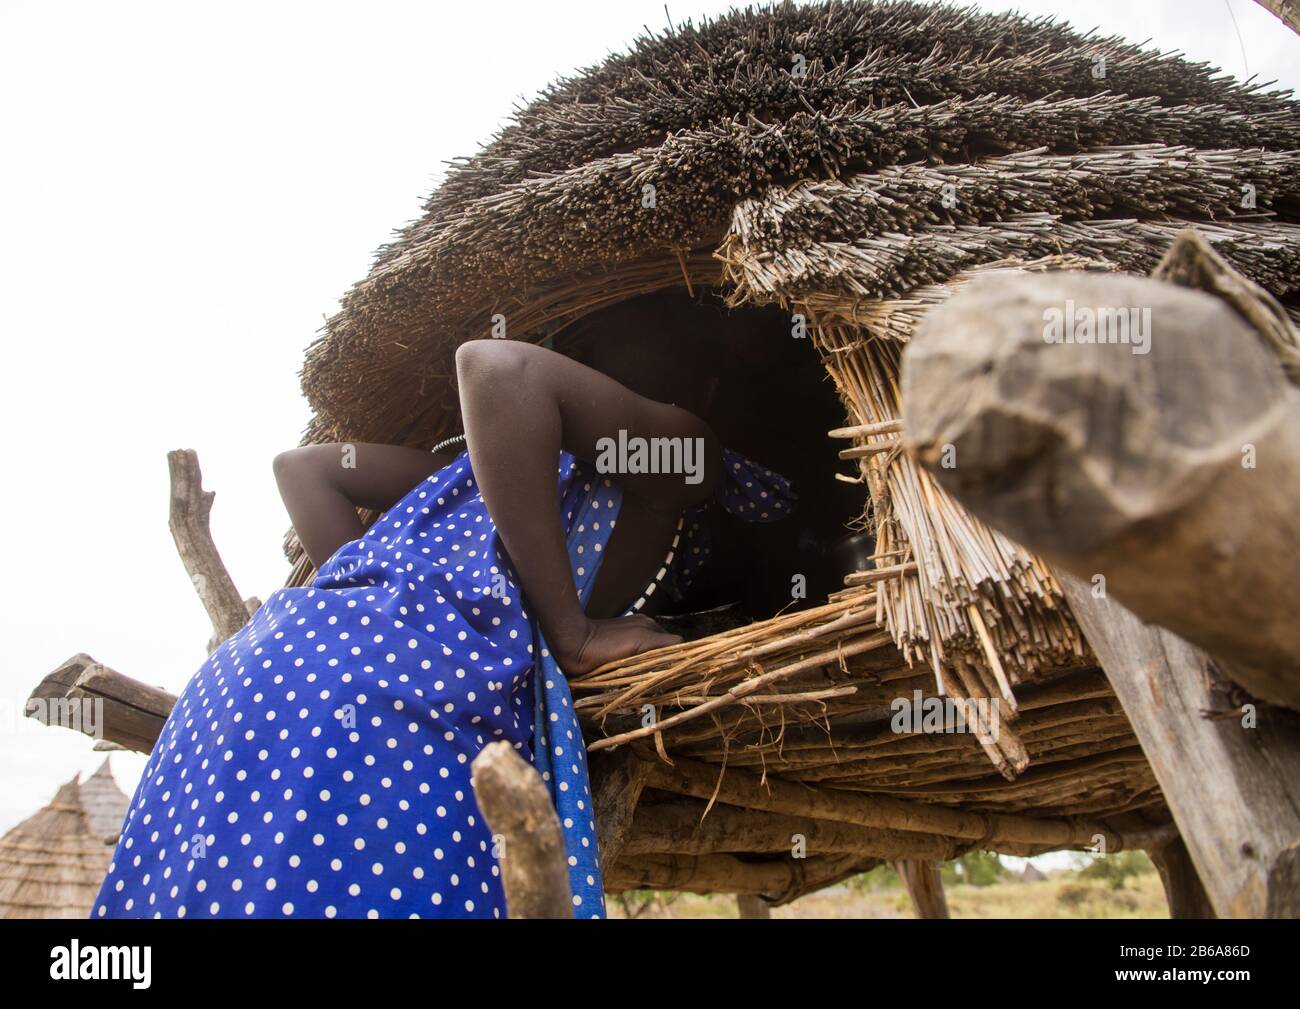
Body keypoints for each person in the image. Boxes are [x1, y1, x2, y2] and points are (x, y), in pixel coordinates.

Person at [92, 291, 795, 919]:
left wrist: (368, 615)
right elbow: (497, 368)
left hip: (245, 677)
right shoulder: (690, 453)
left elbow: (302, 470)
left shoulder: (476, 482)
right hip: (387, 702)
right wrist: (572, 631)